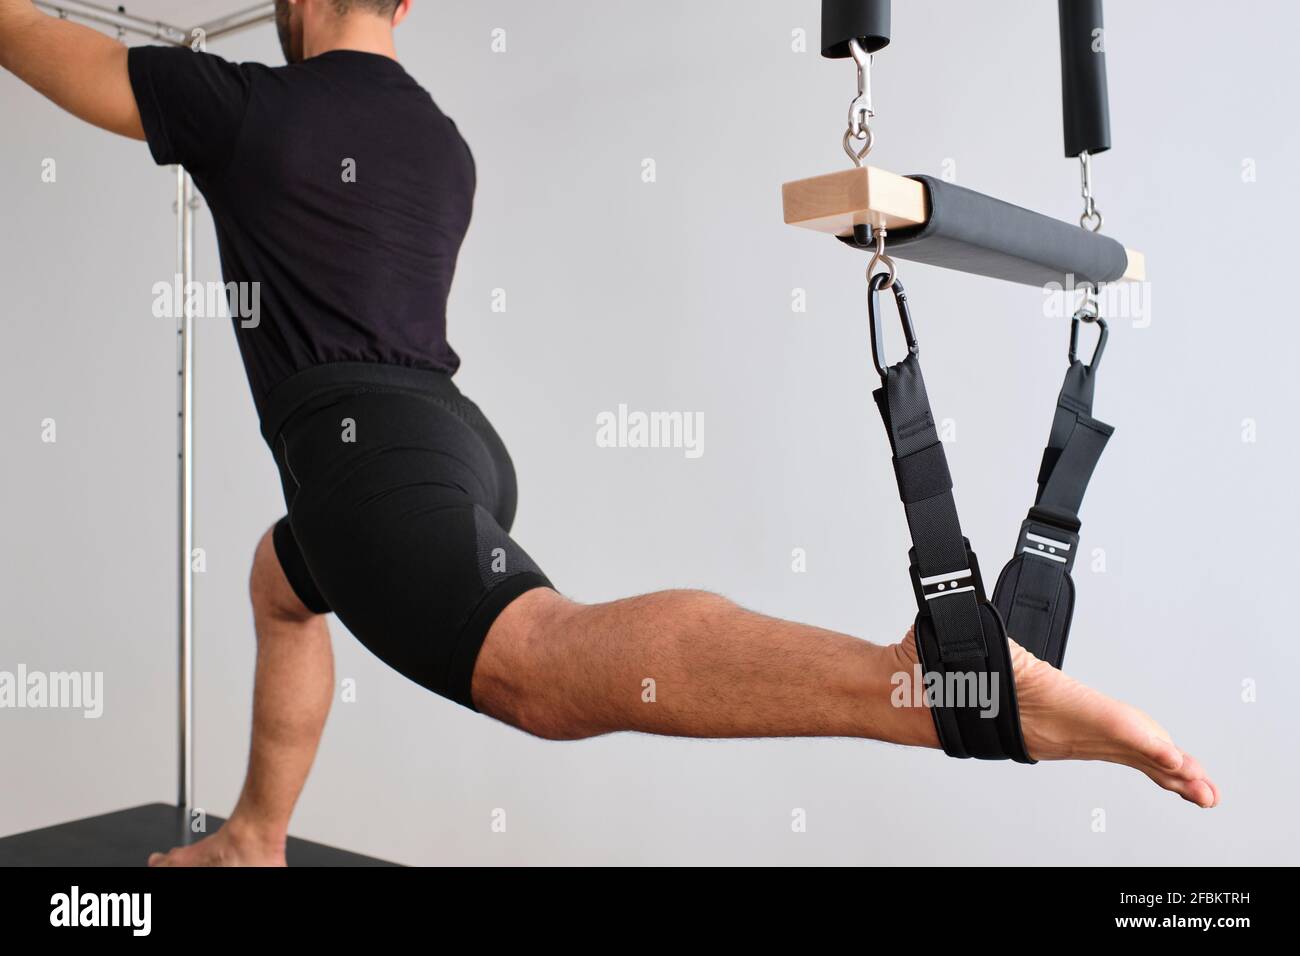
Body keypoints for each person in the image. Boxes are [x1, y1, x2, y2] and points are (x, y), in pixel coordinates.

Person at [0, 0, 1218, 867]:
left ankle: (923, 685)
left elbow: (29, 36)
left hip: (369, 466)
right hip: (452, 448)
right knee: (282, 582)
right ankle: (256, 836)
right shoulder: (442, 144)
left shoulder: (233, 101)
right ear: (408, 4)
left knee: (545, 664)